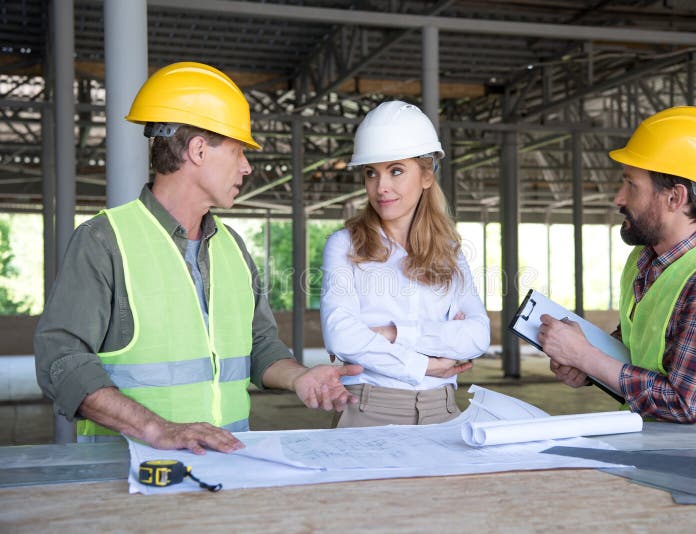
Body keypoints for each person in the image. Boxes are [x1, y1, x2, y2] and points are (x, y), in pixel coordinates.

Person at [34, 62, 362, 454]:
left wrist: (300, 378)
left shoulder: (232, 246)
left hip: (228, 462)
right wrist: (158, 429)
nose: (247, 166)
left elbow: (259, 345)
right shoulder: (104, 242)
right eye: (239, 150)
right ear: (198, 149)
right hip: (132, 472)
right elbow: (61, 360)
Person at [538, 106, 696, 423]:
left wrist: (584, 355)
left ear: (674, 198)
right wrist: (585, 363)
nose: (618, 198)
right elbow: (642, 350)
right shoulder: (646, 259)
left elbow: (682, 403)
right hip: (659, 454)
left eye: (631, 185)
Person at [320, 101, 490, 427]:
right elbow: (342, 338)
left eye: (396, 171)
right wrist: (424, 364)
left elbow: (478, 336)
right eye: (372, 173)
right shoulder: (344, 245)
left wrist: (390, 333)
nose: (381, 187)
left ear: (426, 175)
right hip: (369, 410)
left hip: (444, 410)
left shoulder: (451, 252)